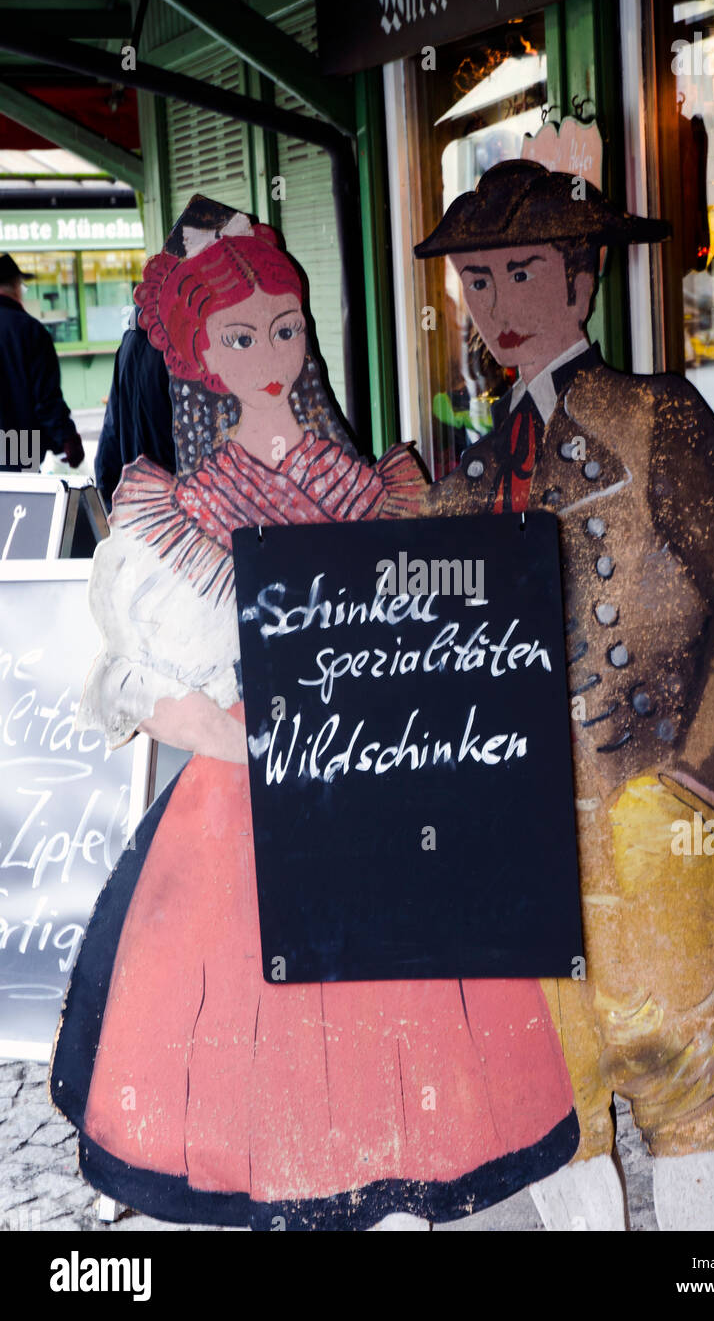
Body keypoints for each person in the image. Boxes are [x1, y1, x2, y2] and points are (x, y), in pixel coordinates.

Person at [50, 199, 579, 1231]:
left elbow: (442, 635)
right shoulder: (174, 508)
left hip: (378, 800)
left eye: (285, 329)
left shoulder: (379, 490)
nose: (270, 353)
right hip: (241, 816)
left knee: (406, 1055)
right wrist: (200, 722)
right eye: (241, 336)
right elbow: (118, 673)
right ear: (198, 353)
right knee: (272, 1059)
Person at [416, 159, 714, 1231]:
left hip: (649, 814)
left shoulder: (657, 418)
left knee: (681, 1082)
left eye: (522, 274)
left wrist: (703, 785)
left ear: (580, 284)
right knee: (554, 1085)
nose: (498, 307)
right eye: (478, 283)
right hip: (520, 833)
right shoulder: (476, 465)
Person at [0, 252, 84, 472]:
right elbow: (46, 398)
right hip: (18, 448)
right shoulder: (29, 331)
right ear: (15, 286)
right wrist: (66, 438)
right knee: (21, 505)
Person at [95, 305, 176, 511]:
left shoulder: (131, 339)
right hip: (175, 504)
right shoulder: (182, 344)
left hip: (135, 502)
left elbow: (111, 432)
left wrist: (108, 494)